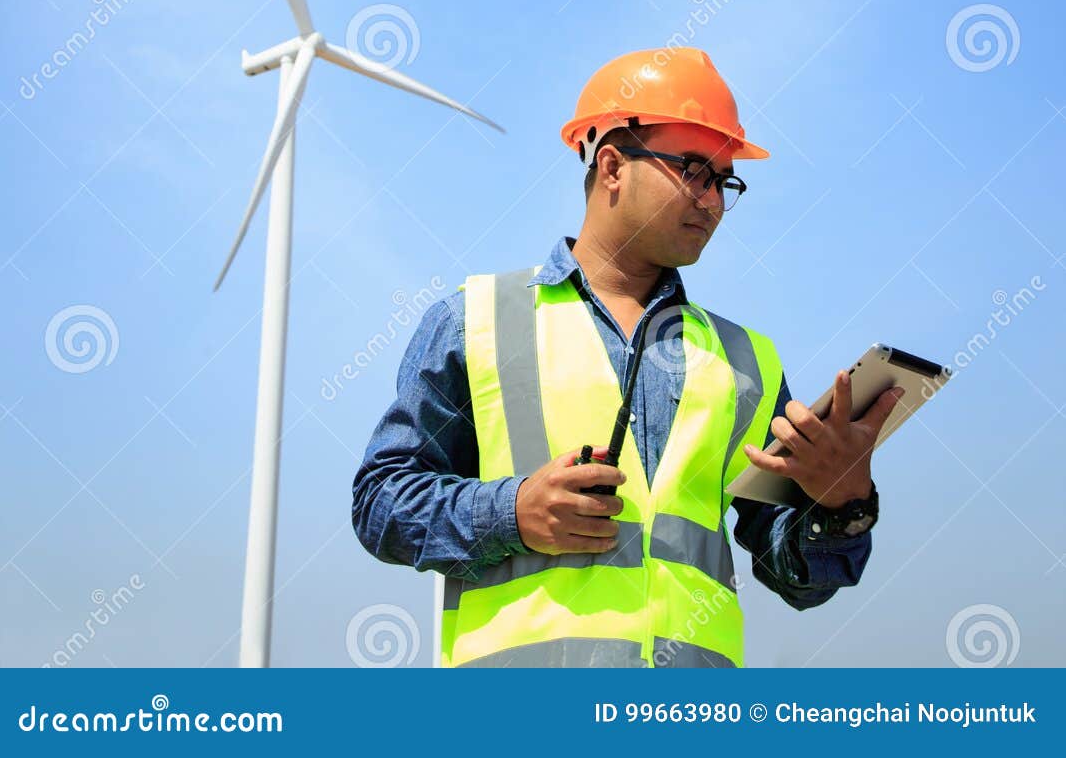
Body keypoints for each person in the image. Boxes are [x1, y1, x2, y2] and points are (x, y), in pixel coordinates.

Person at [352, 47, 900, 668]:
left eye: (725, 181)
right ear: (611, 166)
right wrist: (513, 512)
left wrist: (843, 502)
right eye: (694, 171)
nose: (714, 202)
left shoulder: (745, 360)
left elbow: (797, 576)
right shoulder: (473, 319)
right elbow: (380, 503)